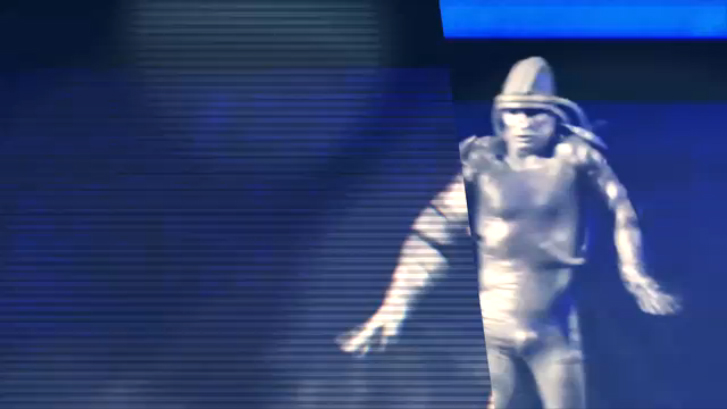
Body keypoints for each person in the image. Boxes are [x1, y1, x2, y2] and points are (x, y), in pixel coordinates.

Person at [336, 57, 681, 409]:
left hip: (554, 329)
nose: (524, 123)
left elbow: (622, 210)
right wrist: (395, 305)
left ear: (555, 118)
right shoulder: (482, 162)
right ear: (501, 116)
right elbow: (432, 233)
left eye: (535, 113)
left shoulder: (574, 158)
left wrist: (635, 273)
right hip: (494, 326)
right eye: (514, 112)